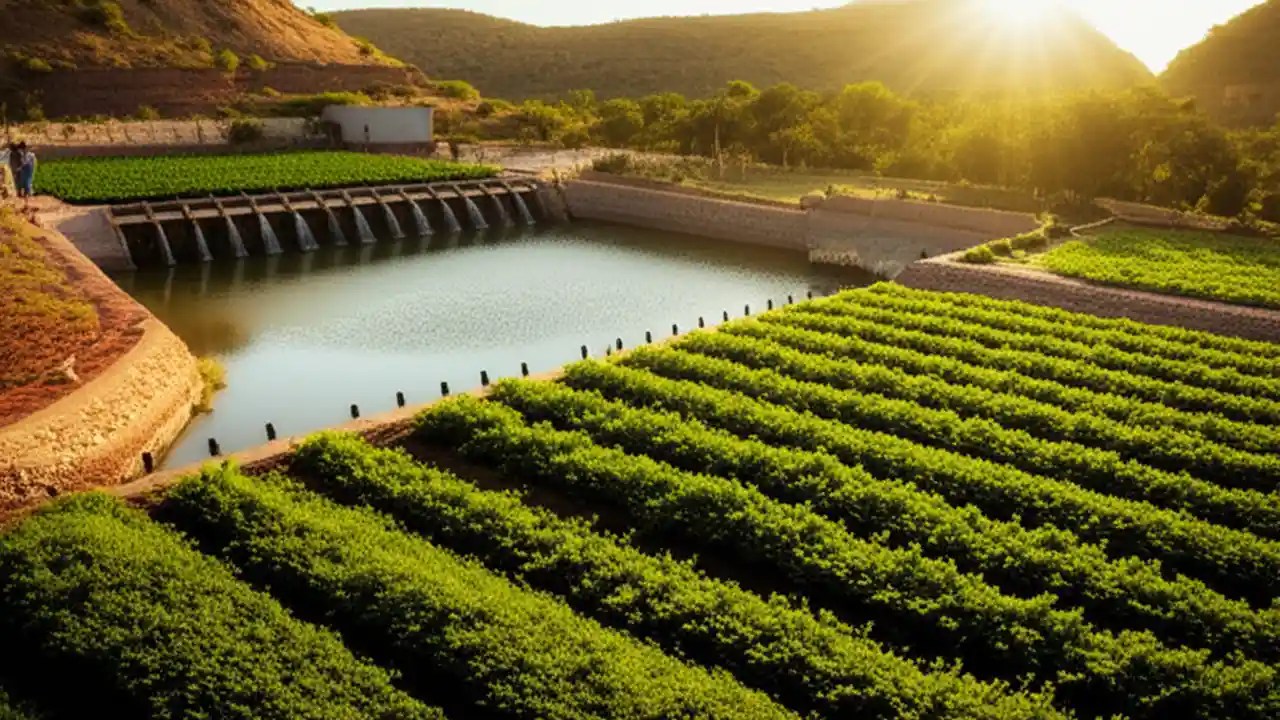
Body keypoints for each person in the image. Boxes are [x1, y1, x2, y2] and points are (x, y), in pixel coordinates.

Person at [15, 142, 36, 208]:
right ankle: (25, 204)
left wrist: (19, 168)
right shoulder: (24, 155)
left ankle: (27, 205)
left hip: (27, 173)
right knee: (24, 187)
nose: (19, 151)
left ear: (22, 148)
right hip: (24, 173)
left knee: (27, 188)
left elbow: (26, 163)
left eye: (20, 149)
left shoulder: (29, 155)